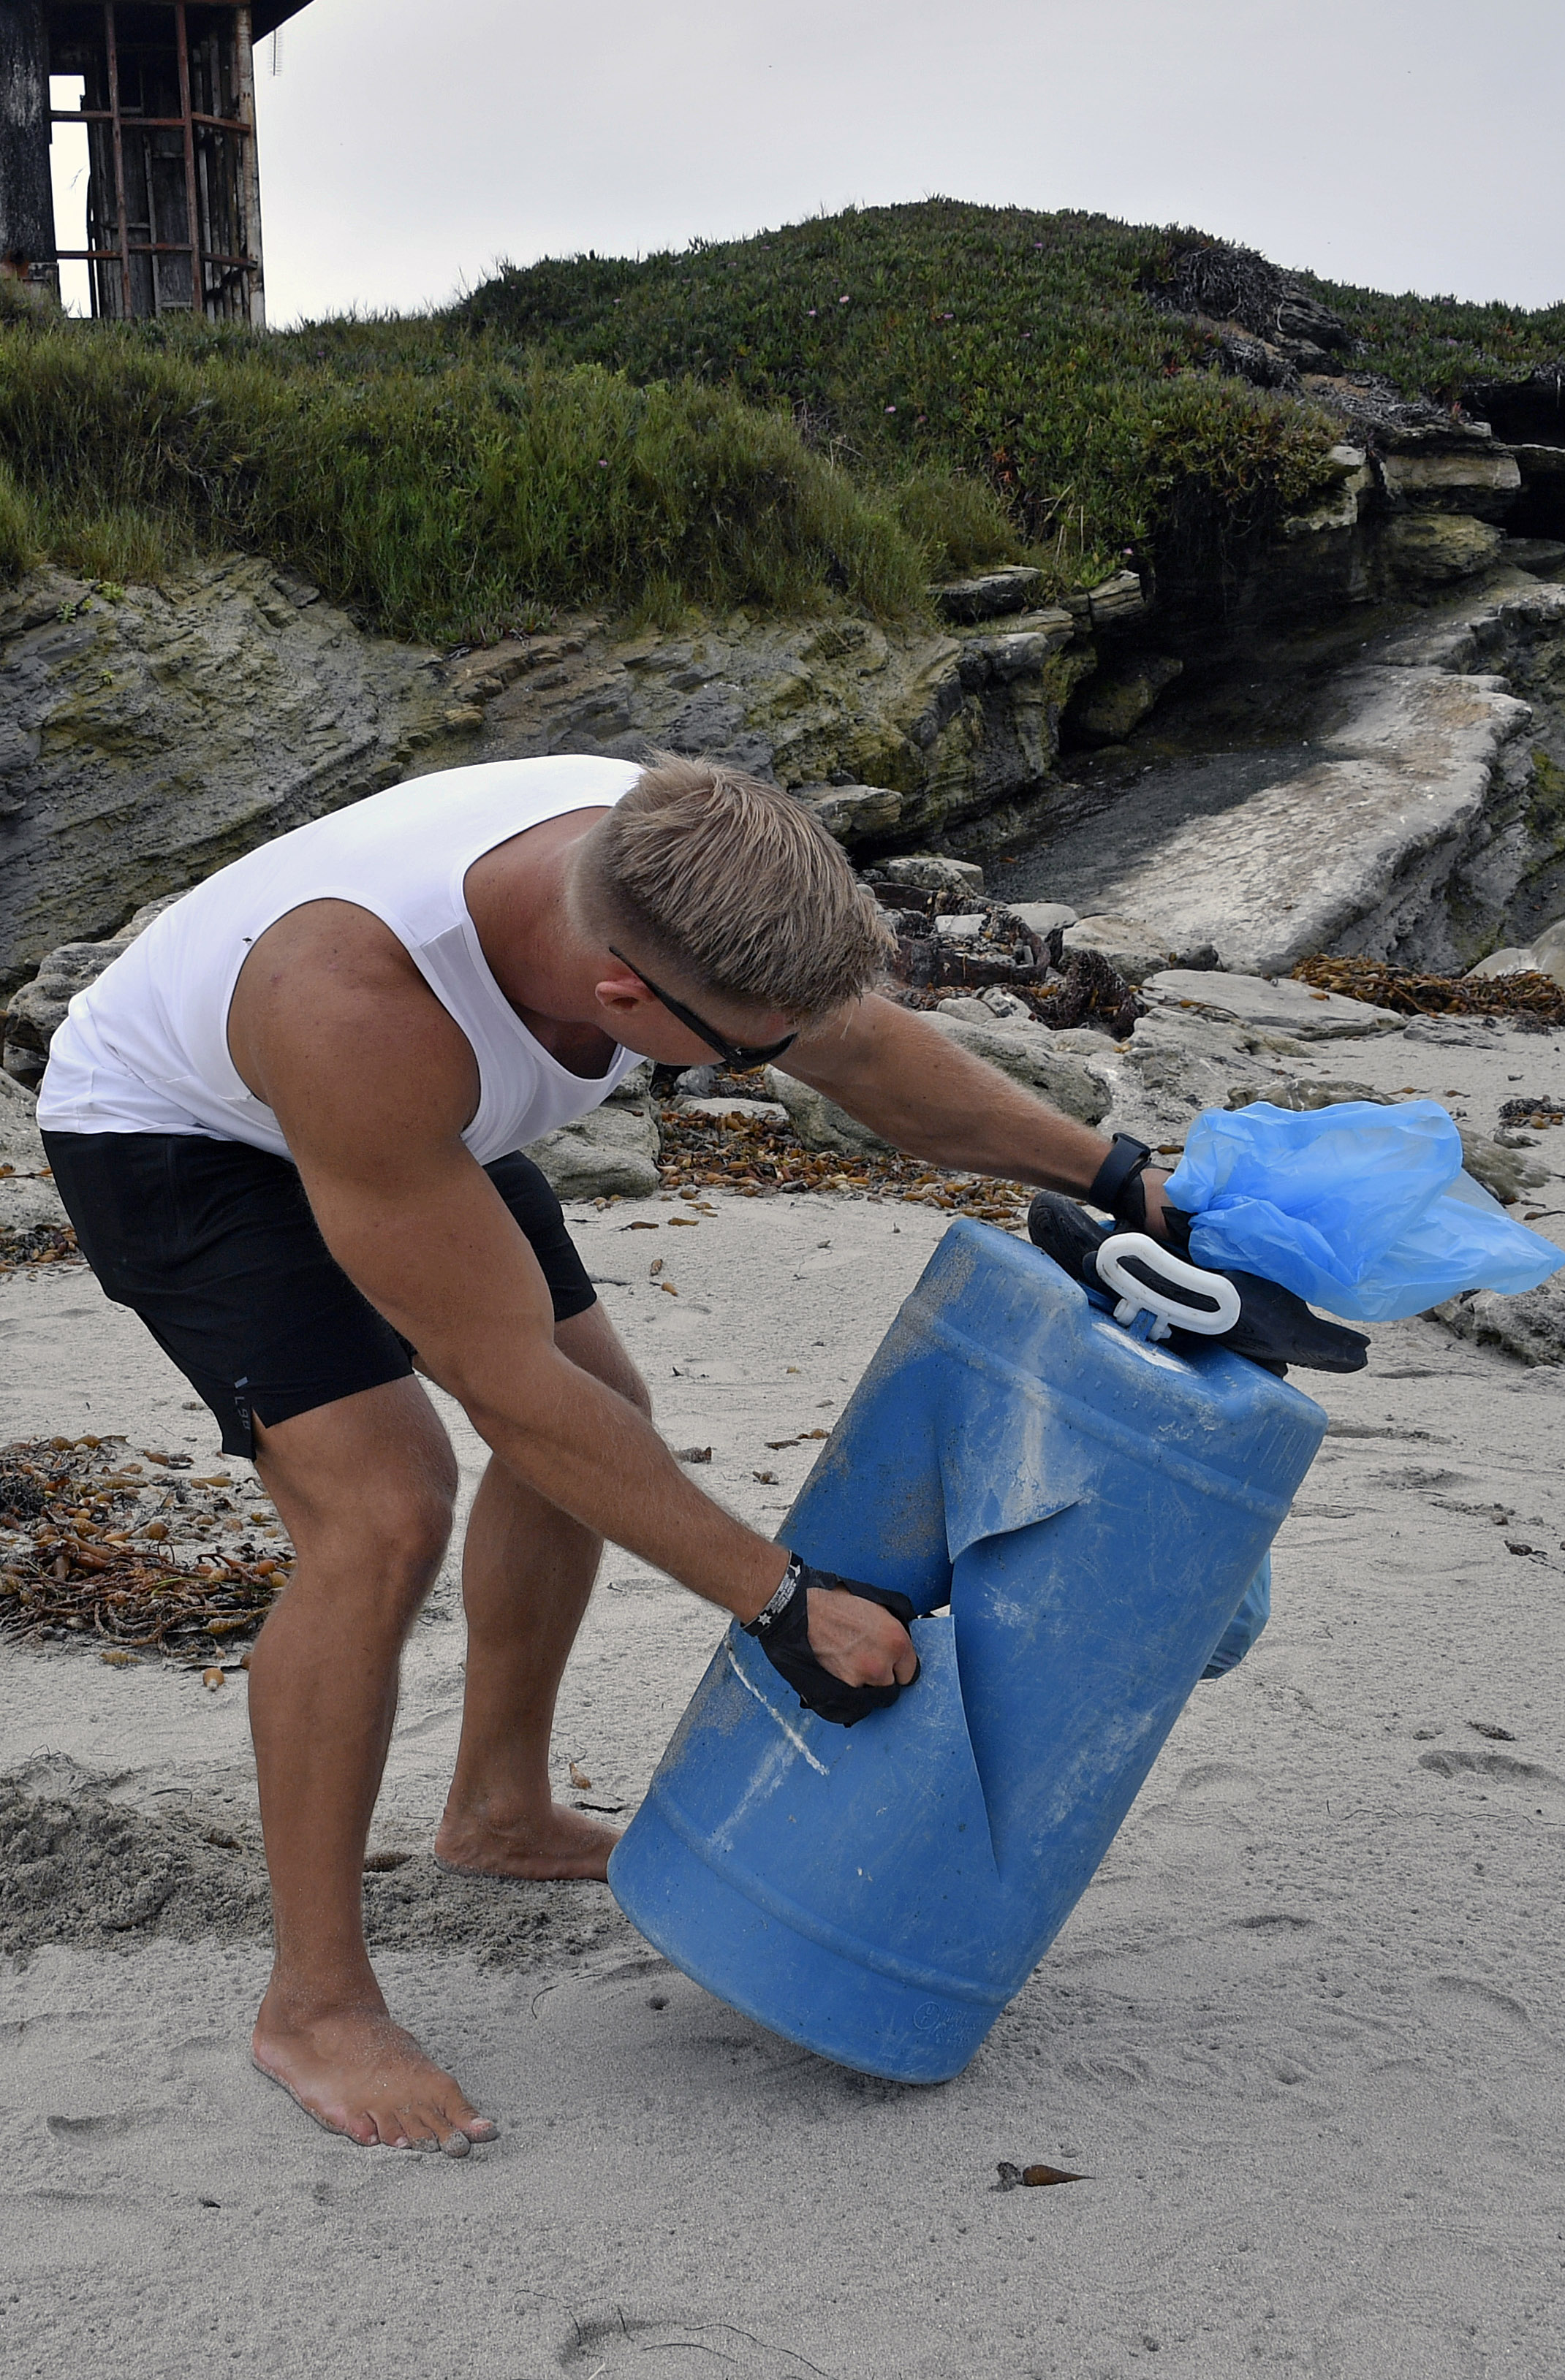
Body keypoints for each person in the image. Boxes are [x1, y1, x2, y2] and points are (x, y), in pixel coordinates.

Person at [36, 750, 1168, 2156]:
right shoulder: (354, 1003)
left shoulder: (675, 848)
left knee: (601, 1402)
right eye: (751, 1051)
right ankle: (314, 2003)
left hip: (419, 1115)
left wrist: (1120, 1179)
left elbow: (859, 1050)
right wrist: (778, 1597)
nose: (779, 1062)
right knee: (384, 1506)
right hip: (187, 1131)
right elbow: (502, 1388)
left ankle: (498, 1808)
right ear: (625, 997)